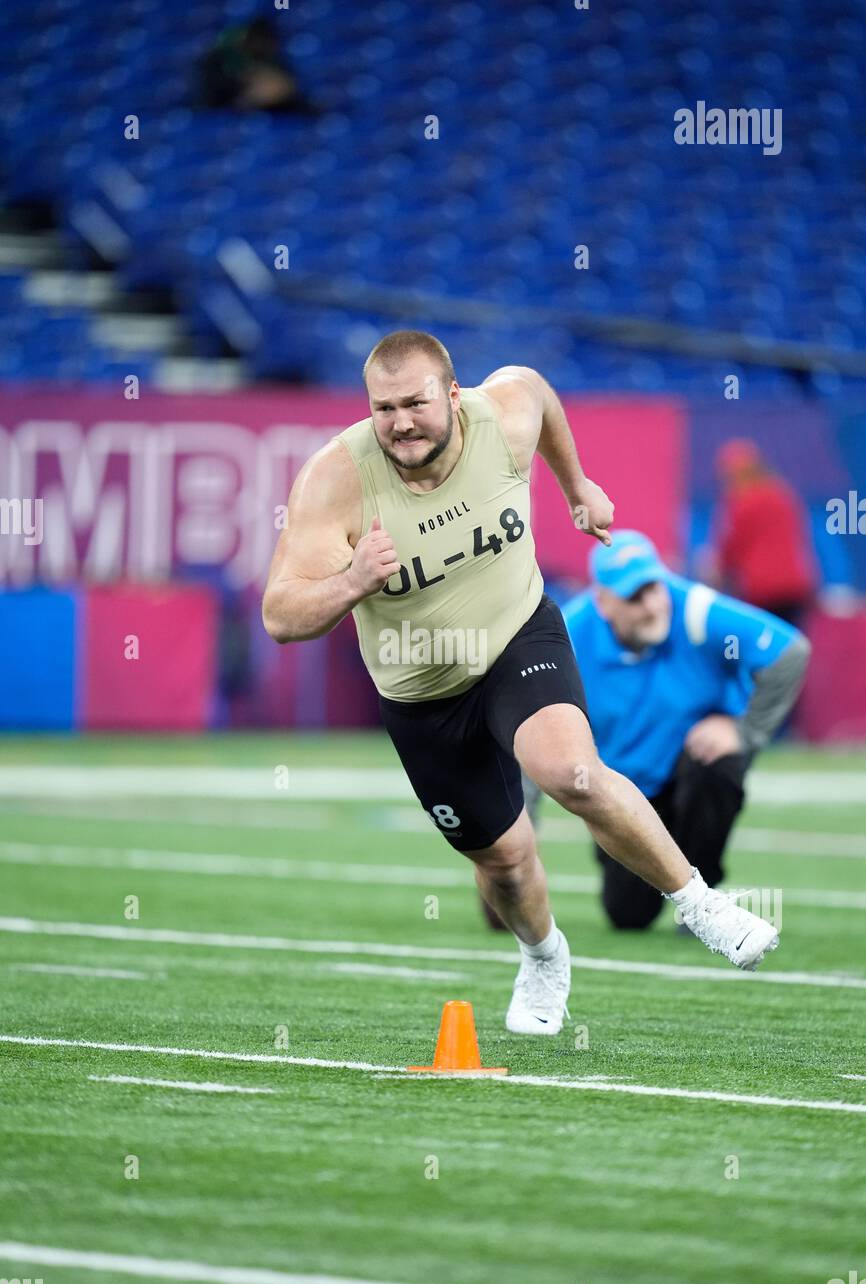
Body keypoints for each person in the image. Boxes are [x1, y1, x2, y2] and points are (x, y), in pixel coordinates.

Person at [262, 330, 781, 1037]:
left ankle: (701, 904)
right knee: (505, 860)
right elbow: (282, 616)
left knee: (573, 774)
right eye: (383, 409)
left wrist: (577, 485)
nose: (400, 423)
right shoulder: (338, 478)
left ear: (452, 395)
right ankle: (542, 956)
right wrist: (353, 581)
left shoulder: (498, 416)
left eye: (415, 403)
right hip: (422, 692)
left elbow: (535, 388)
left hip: (515, 637)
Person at [479, 531, 811, 934]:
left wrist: (745, 732)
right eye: (634, 597)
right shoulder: (565, 639)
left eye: (655, 587)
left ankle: (704, 910)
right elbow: (531, 746)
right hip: (625, 793)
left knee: (719, 765)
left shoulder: (697, 611)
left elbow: (790, 652)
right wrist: (511, 866)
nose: (653, 605)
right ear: (603, 602)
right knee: (627, 916)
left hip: (693, 769)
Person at [708, 438, 816, 628]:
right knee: (791, 647)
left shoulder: (739, 503)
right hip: (796, 586)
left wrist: (715, 572)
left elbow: (730, 548)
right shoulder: (783, 495)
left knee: (763, 650)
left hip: (761, 590)